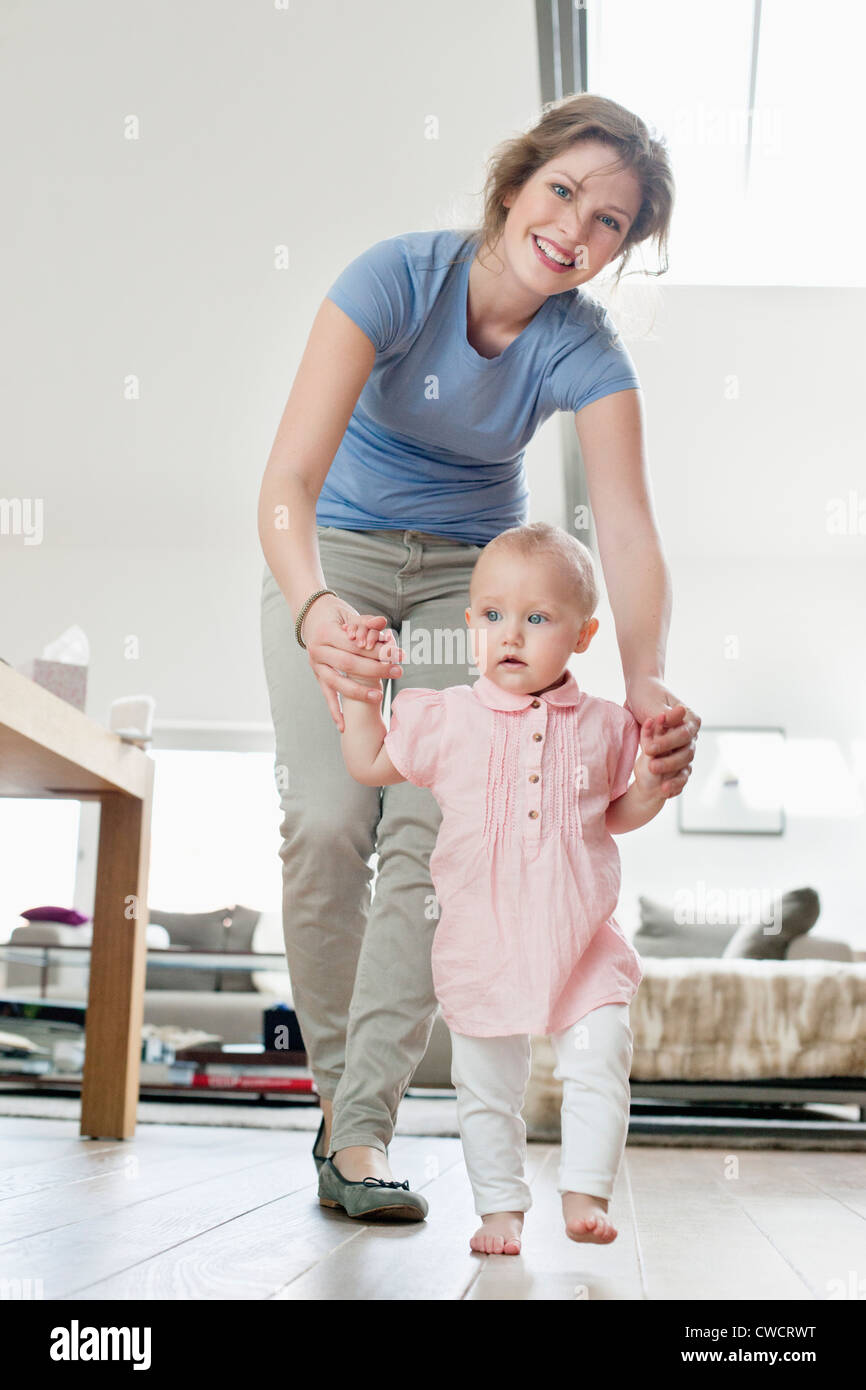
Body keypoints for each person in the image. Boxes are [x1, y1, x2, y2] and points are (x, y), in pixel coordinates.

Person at [258, 92, 701, 1223]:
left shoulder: (578, 346)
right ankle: (338, 1099)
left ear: (618, 250)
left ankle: (358, 1137)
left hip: (474, 581)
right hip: (338, 561)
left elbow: (628, 524)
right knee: (323, 821)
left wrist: (643, 674)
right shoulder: (394, 278)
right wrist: (312, 606)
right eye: (562, 192)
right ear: (514, 185)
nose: (573, 230)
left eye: (608, 224)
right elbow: (287, 485)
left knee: (430, 838)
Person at [332, 522, 671, 1253]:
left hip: (581, 939)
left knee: (601, 1061)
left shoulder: (608, 726)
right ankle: (499, 1212)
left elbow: (622, 813)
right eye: (492, 615)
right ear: (470, 625)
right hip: (481, 940)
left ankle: (585, 1193)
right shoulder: (446, 716)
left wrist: (654, 783)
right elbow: (368, 761)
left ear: (583, 635)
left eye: (537, 618)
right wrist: (363, 691)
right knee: (486, 1090)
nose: (510, 633)